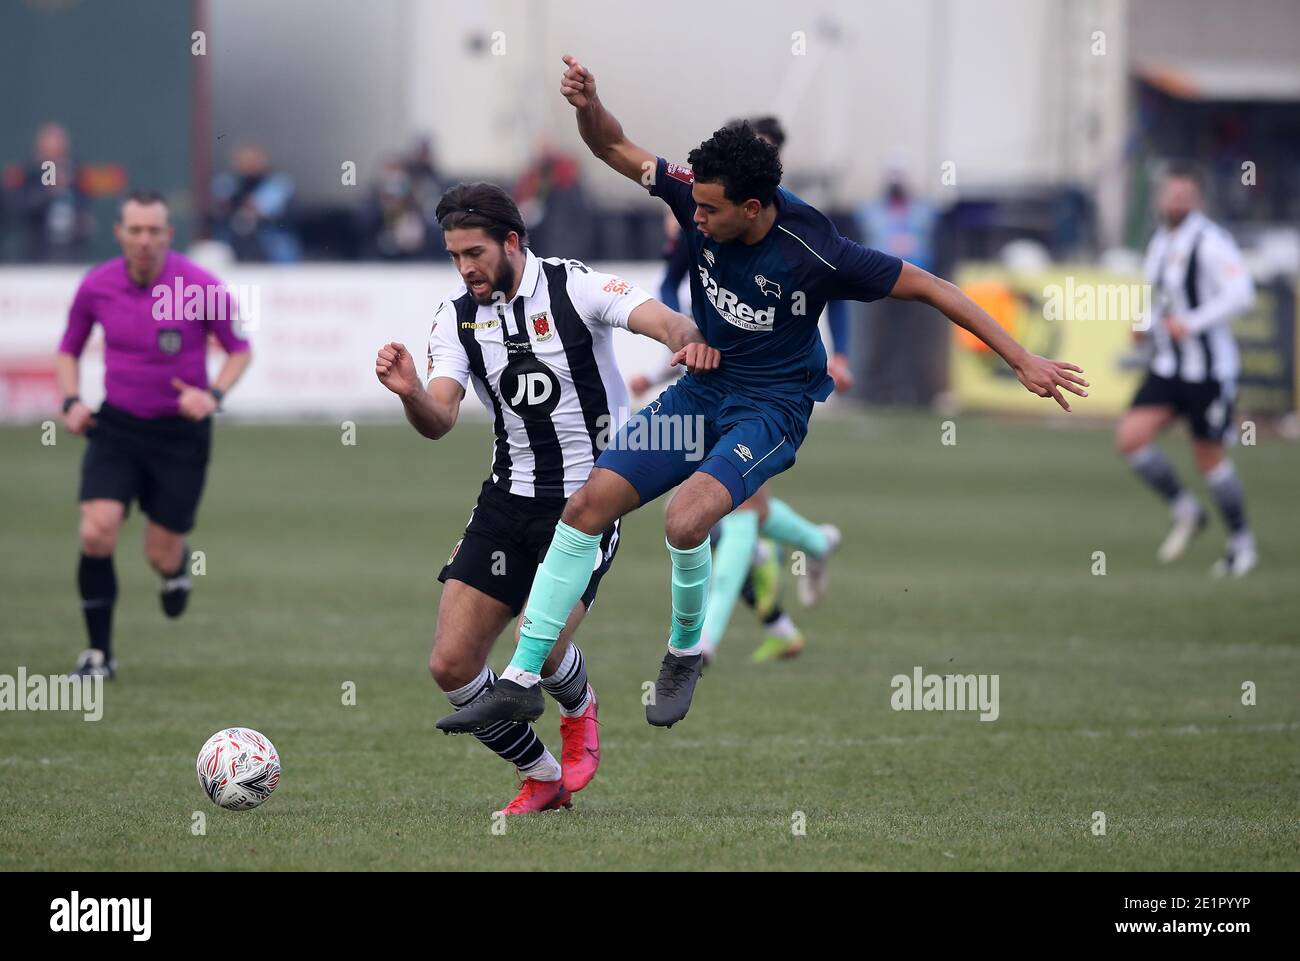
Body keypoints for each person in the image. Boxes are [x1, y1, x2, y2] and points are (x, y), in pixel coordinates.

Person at [441, 55, 1086, 733]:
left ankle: (684, 653)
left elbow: (932, 286)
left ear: (752, 207)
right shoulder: (697, 194)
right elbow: (609, 144)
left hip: (770, 408)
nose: (695, 217)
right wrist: (586, 104)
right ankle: (520, 679)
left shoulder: (816, 252)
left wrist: (1020, 357)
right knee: (586, 503)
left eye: (711, 211)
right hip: (702, 391)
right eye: (695, 202)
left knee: (686, 521)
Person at [377, 182, 717, 813]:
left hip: (590, 500)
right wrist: (410, 393)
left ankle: (580, 705)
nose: (466, 268)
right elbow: (440, 418)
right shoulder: (455, 319)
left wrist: (684, 340)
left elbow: (660, 318)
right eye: (454, 256)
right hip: (506, 501)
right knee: (451, 666)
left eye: (474, 253)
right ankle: (541, 775)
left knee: (546, 646)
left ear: (512, 242)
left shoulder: (574, 286)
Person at [58, 192, 253, 678]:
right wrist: (70, 401)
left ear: (169, 234)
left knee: (159, 552)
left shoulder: (199, 285)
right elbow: (68, 349)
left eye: (154, 231)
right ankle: (99, 655)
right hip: (116, 428)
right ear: (119, 233)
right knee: (96, 530)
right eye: (135, 230)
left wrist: (212, 395)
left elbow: (239, 350)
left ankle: (175, 570)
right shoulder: (96, 286)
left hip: (181, 436)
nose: (144, 240)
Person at [1115, 164, 1258, 576]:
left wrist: (1191, 323)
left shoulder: (1212, 242)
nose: (1175, 202)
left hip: (1209, 372)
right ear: (1161, 199)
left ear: (1196, 201)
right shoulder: (1160, 240)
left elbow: (1241, 295)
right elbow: (1160, 298)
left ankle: (1241, 544)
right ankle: (1187, 511)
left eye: (1184, 196)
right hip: (1168, 367)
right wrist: (1145, 326)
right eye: (1170, 195)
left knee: (1208, 458)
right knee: (1131, 439)